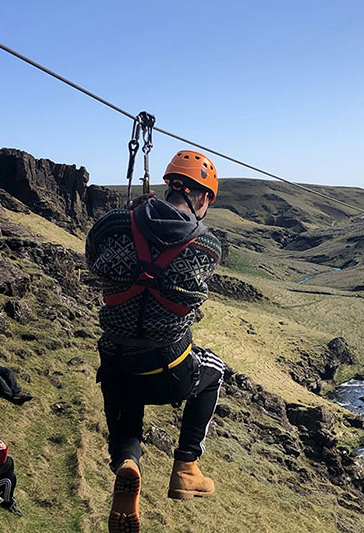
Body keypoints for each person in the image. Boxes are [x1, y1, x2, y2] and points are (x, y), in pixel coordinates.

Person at [85, 150, 226, 532]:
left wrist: (129, 215)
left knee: (125, 408)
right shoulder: (208, 246)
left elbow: (91, 257)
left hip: (117, 361)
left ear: (169, 185)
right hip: (169, 369)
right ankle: (186, 467)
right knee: (214, 371)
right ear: (203, 197)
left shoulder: (112, 225)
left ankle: (127, 462)